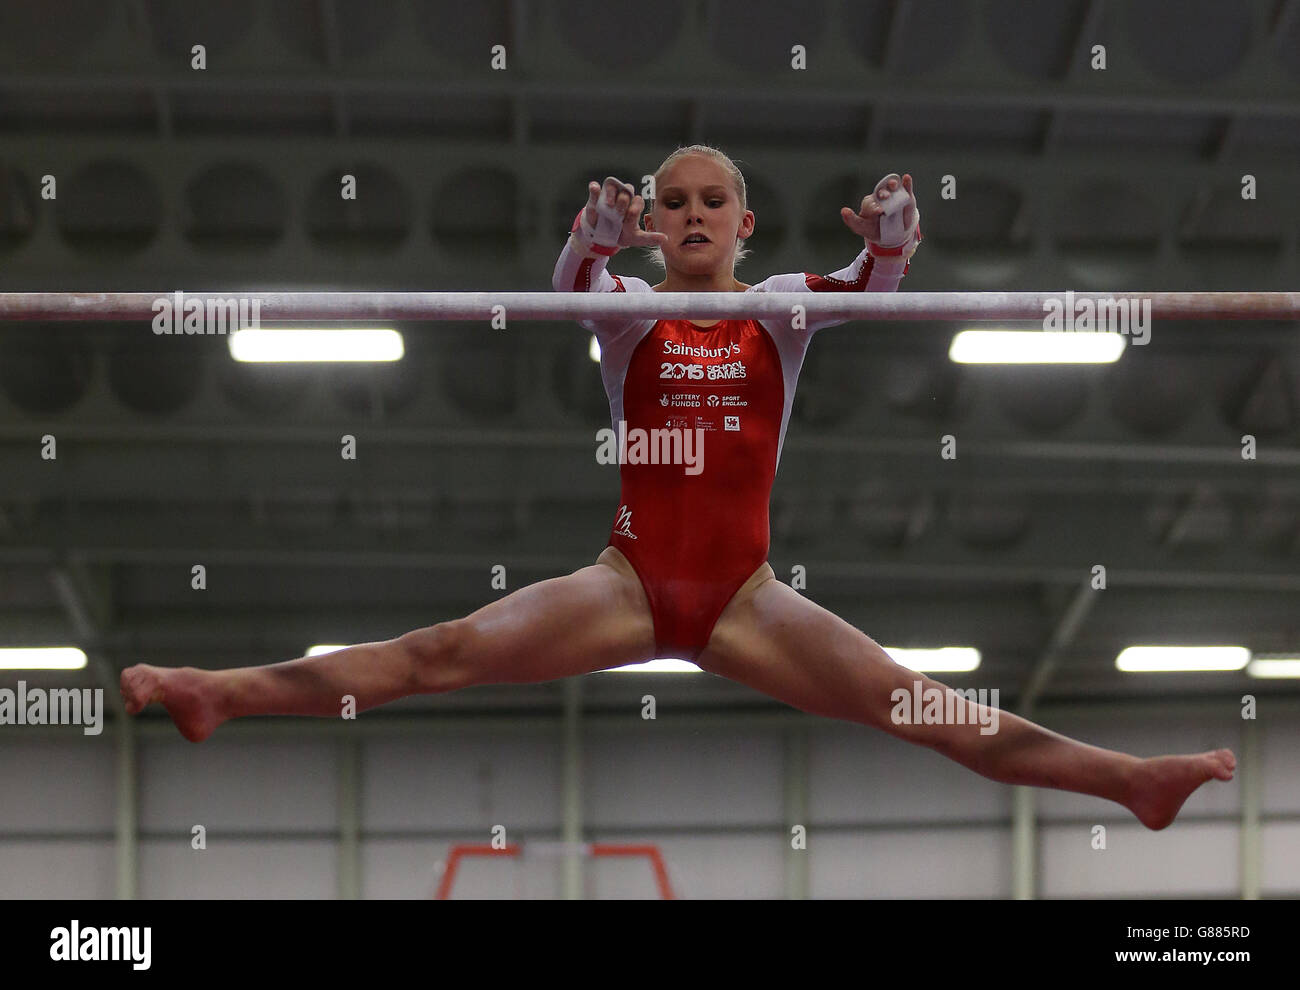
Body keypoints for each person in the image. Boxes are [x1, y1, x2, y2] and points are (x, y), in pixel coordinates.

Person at [121, 145, 1234, 832]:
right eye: (671, 203)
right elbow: (567, 294)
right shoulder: (627, 310)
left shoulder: (784, 303)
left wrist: (897, 239)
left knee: (929, 711)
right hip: (628, 584)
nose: (692, 214)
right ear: (652, 226)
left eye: (712, 201)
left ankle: (1131, 782)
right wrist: (585, 243)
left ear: (745, 222)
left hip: (746, 597)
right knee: (433, 657)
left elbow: (872, 284)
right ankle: (219, 692)